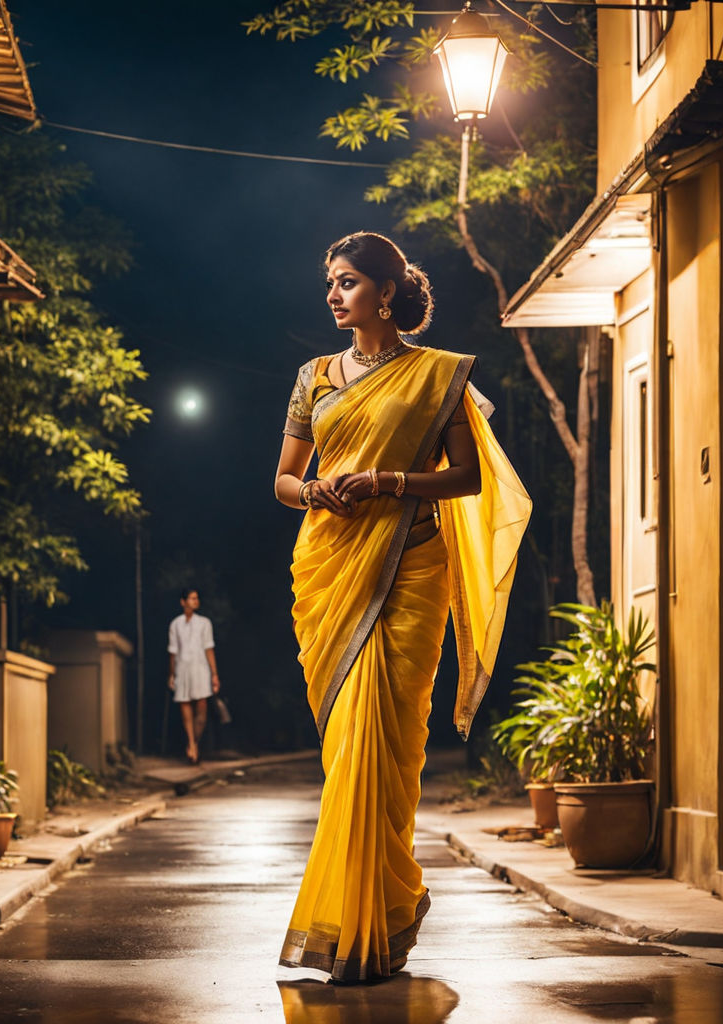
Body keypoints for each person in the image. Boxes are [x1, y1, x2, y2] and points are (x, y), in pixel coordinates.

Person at [274, 232, 531, 982]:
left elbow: (467, 479)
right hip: (332, 568)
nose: (332, 295)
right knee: (350, 745)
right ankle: (368, 914)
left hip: (415, 567)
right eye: (330, 282)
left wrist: (388, 480)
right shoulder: (313, 378)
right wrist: (315, 489)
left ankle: (377, 917)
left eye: (347, 282)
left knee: (391, 744)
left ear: (385, 293)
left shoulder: (438, 376)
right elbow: (285, 480)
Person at [167, 588, 220, 765]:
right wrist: (172, 674)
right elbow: (173, 652)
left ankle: (194, 742)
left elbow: (209, 648)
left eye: (197, 598)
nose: (195, 601)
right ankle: (191, 744)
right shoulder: (175, 624)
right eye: (192, 598)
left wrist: (214, 674)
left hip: (201, 668)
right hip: (182, 668)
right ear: (183, 602)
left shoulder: (205, 623)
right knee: (185, 707)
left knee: (202, 710)